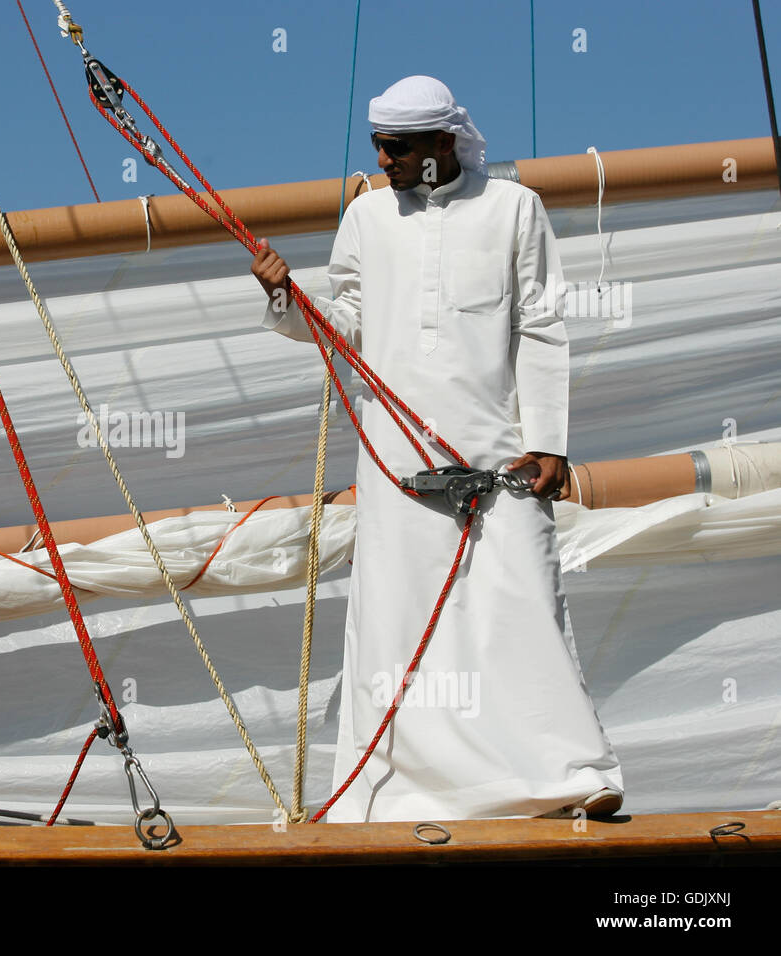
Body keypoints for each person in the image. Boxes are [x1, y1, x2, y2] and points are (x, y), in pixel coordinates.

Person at [251, 76, 623, 822]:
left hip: (501, 454)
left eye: (396, 147)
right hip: (395, 460)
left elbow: (543, 325)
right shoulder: (364, 217)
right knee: (397, 612)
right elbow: (346, 325)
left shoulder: (516, 208)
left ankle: (563, 774)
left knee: (519, 602)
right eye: (378, 146)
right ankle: (393, 794)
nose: (383, 160)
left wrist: (548, 440)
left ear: (442, 144)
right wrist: (289, 299)